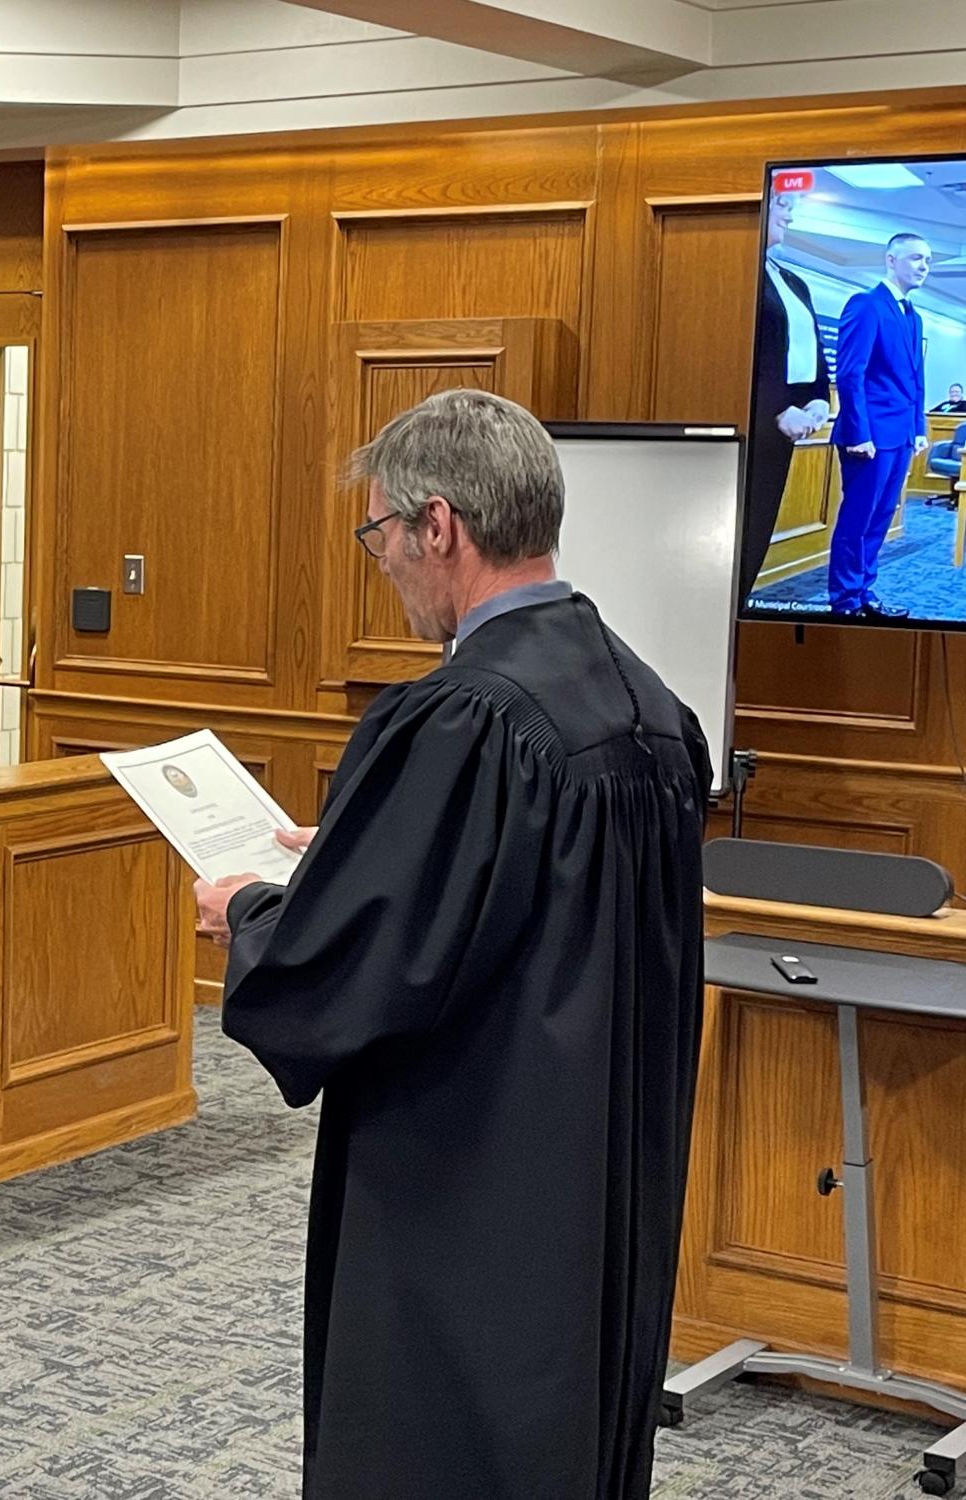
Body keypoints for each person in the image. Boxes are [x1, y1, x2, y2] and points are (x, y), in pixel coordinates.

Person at [194, 389, 710, 1499]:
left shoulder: (466, 716)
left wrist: (246, 907)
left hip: (473, 1168)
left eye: (379, 533)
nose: (380, 563)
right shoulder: (646, 699)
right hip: (602, 1159)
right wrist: (361, 842)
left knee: (445, 1435)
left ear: (439, 526)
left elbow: (348, 973)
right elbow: (513, 893)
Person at [829, 232, 931, 618]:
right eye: (917, 258)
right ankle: (845, 600)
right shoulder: (867, 305)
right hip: (869, 436)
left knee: (881, 518)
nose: (924, 267)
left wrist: (918, 427)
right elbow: (851, 374)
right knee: (857, 518)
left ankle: (864, 591)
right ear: (891, 260)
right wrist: (859, 433)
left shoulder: (913, 314)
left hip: (901, 435)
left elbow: (916, 377)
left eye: (928, 261)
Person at [741, 189, 831, 597]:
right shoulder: (734, 272)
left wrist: (817, 398)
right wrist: (774, 411)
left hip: (784, 433)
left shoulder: (793, 279)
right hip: (748, 430)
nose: (789, 217)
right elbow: (731, 358)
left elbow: (810, 347)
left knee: (756, 535)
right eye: (783, 205)